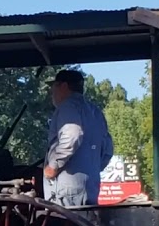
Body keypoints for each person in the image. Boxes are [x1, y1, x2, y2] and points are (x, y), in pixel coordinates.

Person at [42, 69, 114, 208]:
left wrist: (53, 166)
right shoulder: (95, 111)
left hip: (66, 189)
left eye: (54, 88)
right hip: (90, 186)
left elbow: (73, 134)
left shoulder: (67, 107)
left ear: (63, 86)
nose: (52, 94)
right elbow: (107, 149)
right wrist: (92, 167)